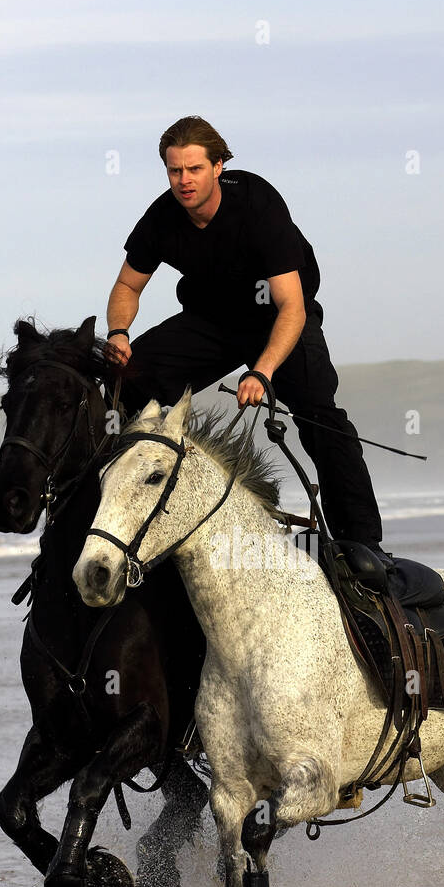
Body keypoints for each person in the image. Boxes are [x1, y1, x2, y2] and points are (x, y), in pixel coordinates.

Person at [105, 114, 386, 559]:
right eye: (174, 170)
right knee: (126, 378)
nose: (184, 181)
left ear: (218, 166)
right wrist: (119, 332)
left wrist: (263, 371)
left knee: (321, 418)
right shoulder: (161, 217)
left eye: (194, 169)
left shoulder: (257, 204)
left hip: (276, 319)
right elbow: (127, 287)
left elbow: (292, 305)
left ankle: (363, 544)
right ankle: (125, 525)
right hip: (212, 320)